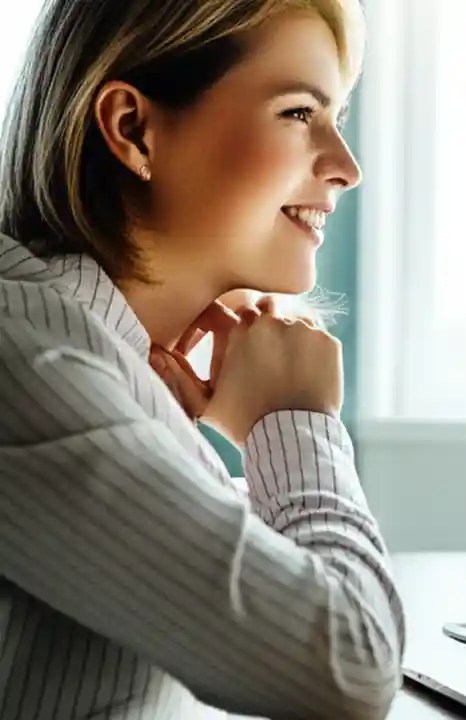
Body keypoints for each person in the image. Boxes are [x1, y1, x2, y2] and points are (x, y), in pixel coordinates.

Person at [0, 0, 404, 718]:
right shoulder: (33, 360)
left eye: (334, 119)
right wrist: (296, 424)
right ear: (134, 130)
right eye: (297, 114)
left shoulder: (98, 357)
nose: (346, 168)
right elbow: (347, 671)